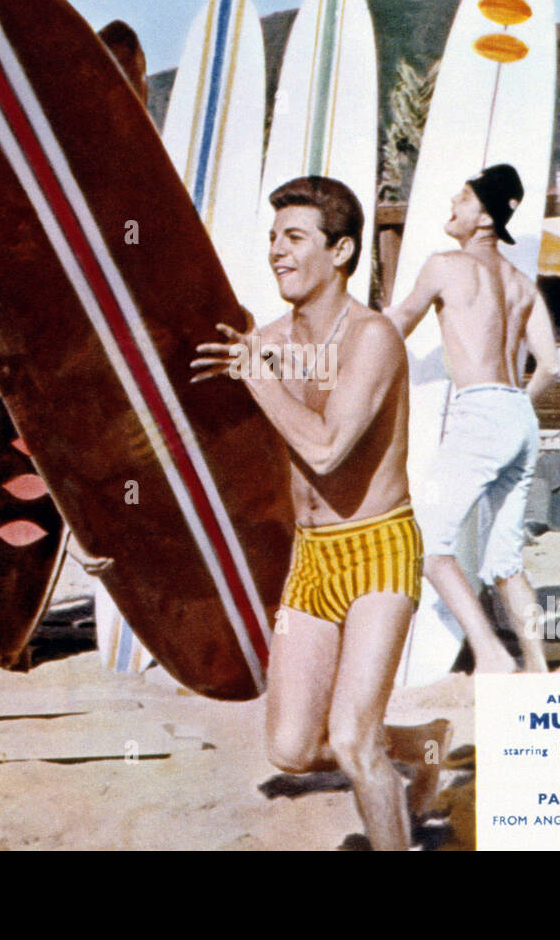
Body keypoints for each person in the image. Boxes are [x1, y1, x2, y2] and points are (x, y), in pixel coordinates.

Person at [191, 175, 449, 851]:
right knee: (293, 748)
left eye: (295, 237)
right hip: (311, 557)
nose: (277, 250)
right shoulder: (264, 341)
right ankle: (422, 743)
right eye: (274, 237)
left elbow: (328, 449)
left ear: (341, 251)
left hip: (378, 547)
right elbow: (206, 452)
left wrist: (257, 376)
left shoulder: (373, 338)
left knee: (353, 739)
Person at [384, 163, 558, 674]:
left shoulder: (445, 266)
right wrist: (514, 403)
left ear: (484, 217)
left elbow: (397, 322)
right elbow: (551, 365)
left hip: (481, 410)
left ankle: (491, 654)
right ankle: (538, 668)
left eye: (462, 198)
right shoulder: (522, 284)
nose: (452, 205)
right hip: (519, 415)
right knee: (505, 559)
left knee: (425, 540)